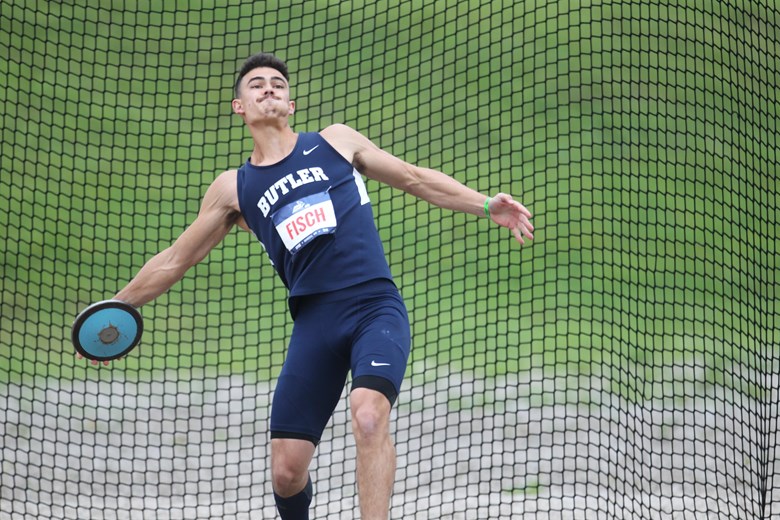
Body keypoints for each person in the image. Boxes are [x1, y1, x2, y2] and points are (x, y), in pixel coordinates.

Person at [88, 52, 534, 519]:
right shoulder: (233, 188)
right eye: (256, 85)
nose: (268, 89)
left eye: (277, 83)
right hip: (315, 324)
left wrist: (486, 205)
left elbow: (415, 179)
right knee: (285, 470)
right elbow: (176, 259)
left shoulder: (334, 142)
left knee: (367, 414)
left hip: (373, 307)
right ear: (239, 107)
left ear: (291, 103)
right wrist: (111, 311)